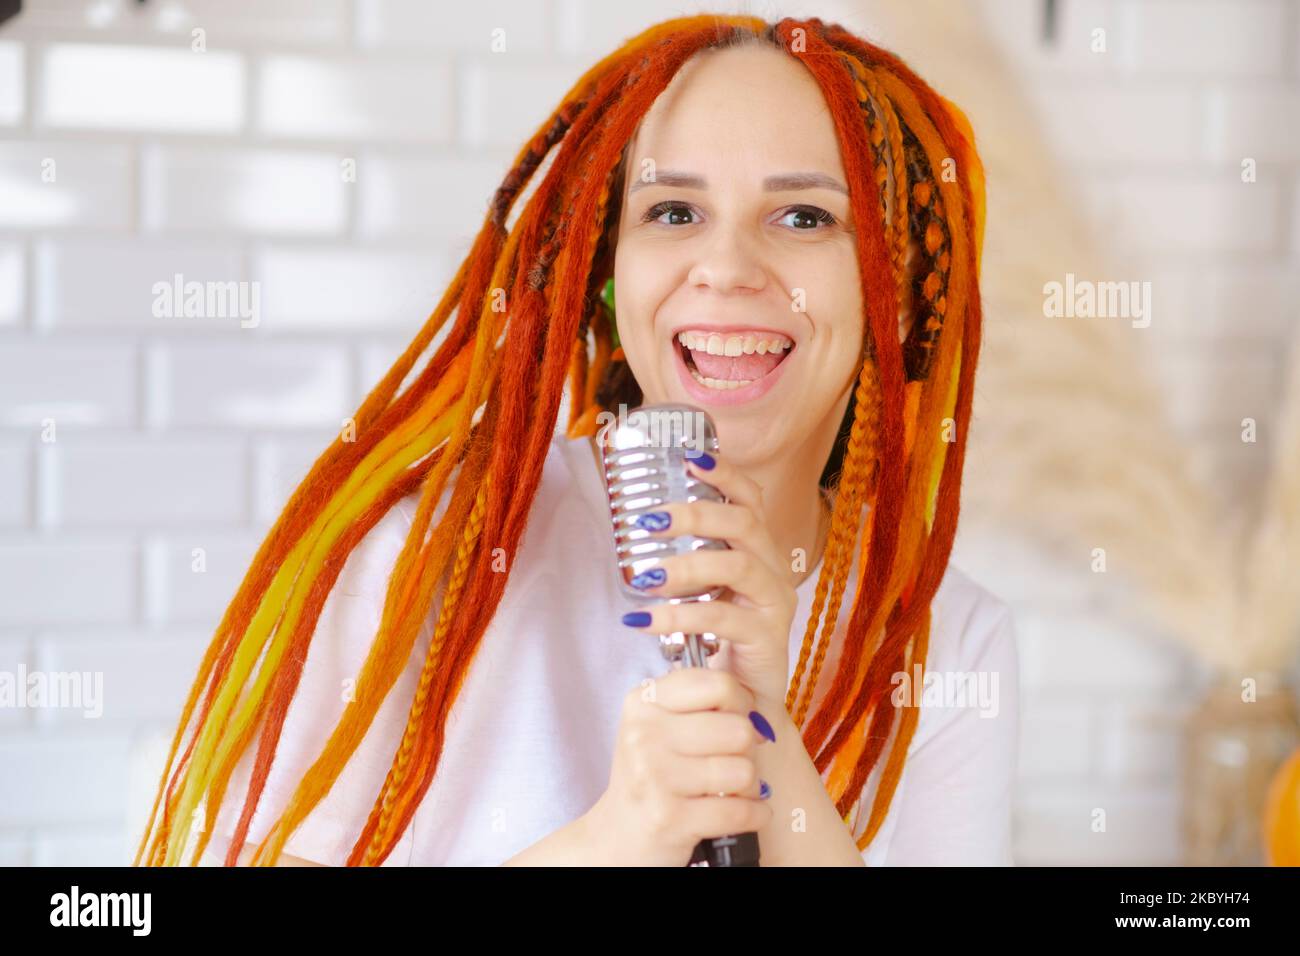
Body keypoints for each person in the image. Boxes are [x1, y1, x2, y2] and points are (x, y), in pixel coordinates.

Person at [134, 13, 1018, 868]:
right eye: (673, 211)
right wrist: (611, 845)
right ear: (607, 273)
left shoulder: (951, 642)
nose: (728, 266)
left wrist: (764, 730)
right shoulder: (438, 551)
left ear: (897, 295)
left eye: (805, 218)